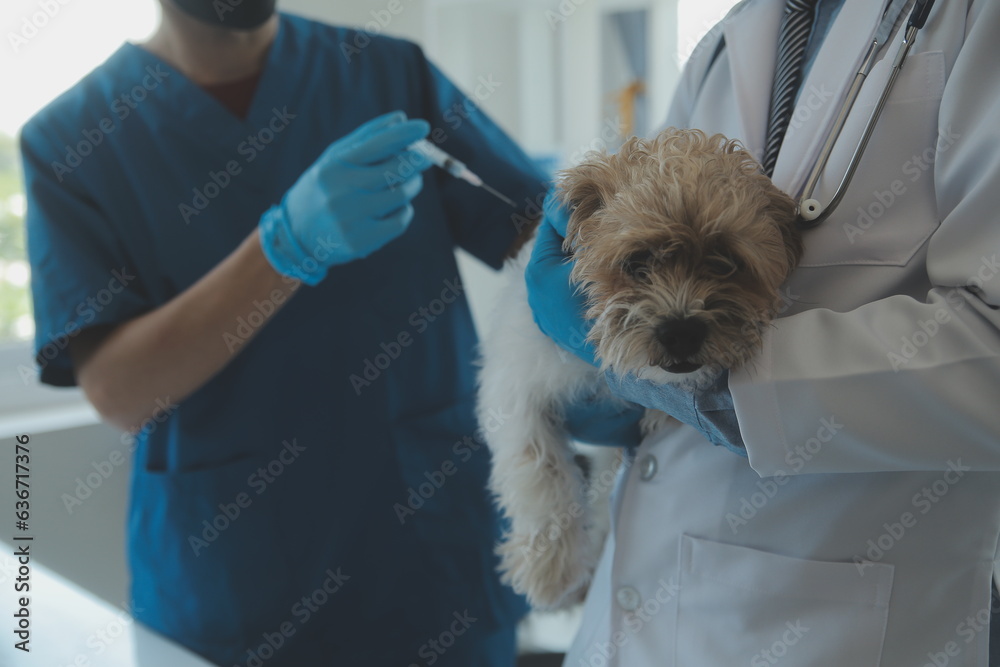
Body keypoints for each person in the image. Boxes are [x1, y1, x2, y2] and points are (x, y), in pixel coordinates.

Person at [19, 1, 575, 664]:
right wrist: (284, 248)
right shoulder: (71, 142)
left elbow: (547, 237)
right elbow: (119, 391)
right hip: (237, 586)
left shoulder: (387, 74)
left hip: (433, 563)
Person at [526, 0, 1000, 665]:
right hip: (638, 603)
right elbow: (634, 239)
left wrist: (712, 390)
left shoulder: (976, 21)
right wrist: (616, 381)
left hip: (841, 623)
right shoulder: (729, 40)